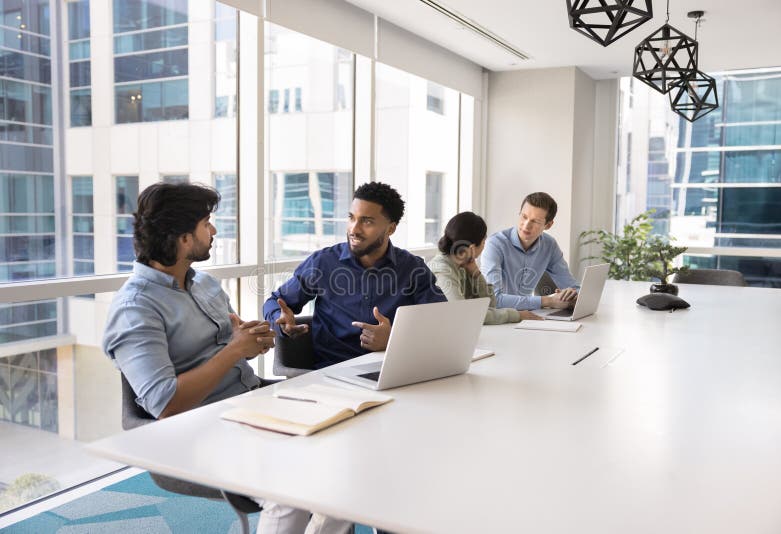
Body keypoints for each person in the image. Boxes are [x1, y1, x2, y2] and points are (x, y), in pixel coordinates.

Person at [102, 183, 350, 534]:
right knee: (288, 490)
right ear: (183, 238)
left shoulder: (204, 284)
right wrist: (234, 349)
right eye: (206, 224)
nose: (214, 231)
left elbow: (235, 342)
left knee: (345, 460)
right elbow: (165, 404)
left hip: (250, 405)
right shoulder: (135, 308)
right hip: (197, 429)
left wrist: (254, 339)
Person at [263, 182, 446, 368]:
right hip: (332, 374)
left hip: (394, 369)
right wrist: (281, 320)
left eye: (367, 221)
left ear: (390, 229)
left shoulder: (413, 268)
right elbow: (274, 301)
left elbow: (441, 322)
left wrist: (394, 339)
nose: (354, 229)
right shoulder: (323, 263)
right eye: (351, 218)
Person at [427, 211, 542, 324]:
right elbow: (462, 313)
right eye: (483, 242)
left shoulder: (464, 265)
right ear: (472, 248)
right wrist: (515, 315)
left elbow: (491, 304)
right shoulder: (443, 271)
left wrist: (476, 273)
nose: (484, 246)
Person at [480, 192, 579, 311]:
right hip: (497, 317)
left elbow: (574, 287)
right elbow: (493, 300)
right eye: (524, 216)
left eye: (535, 221)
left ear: (548, 225)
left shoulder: (549, 245)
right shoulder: (495, 245)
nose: (526, 225)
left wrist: (571, 295)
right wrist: (549, 301)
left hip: (527, 316)